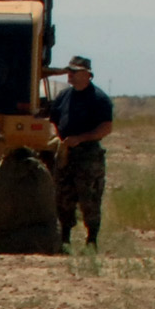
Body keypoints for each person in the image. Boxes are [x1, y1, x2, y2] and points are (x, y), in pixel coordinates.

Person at [48, 55, 114, 249]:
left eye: (74, 72)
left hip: (88, 155)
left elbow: (106, 127)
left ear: (87, 75)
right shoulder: (63, 96)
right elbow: (53, 120)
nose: (70, 75)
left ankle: (91, 240)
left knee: (90, 198)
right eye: (69, 71)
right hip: (66, 154)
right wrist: (56, 136)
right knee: (63, 197)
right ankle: (65, 239)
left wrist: (81, 138)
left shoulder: (99, 99)